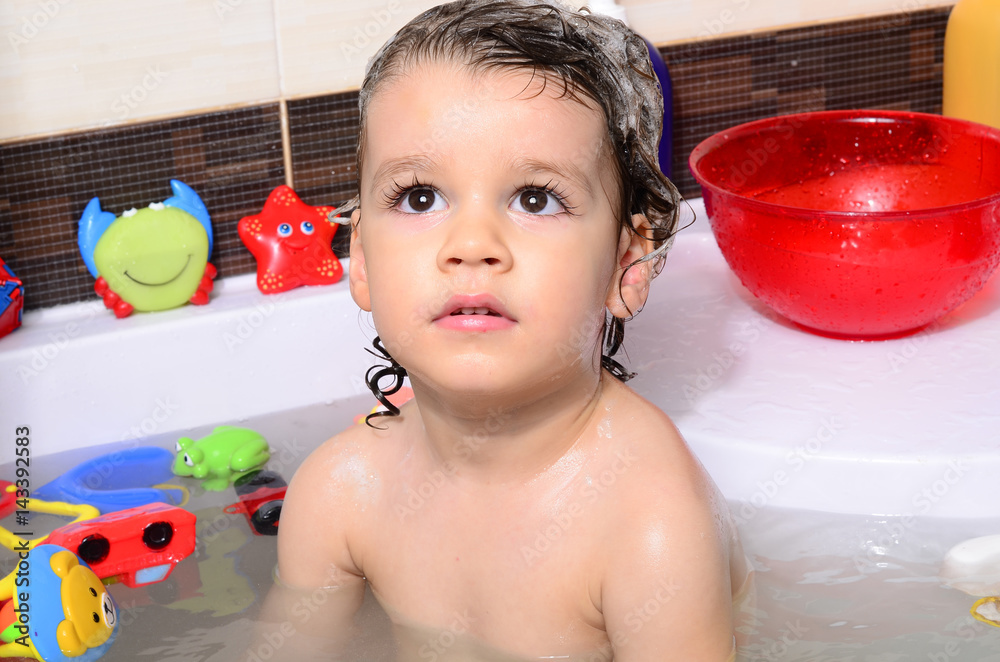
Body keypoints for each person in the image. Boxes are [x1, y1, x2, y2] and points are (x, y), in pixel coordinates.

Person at [265, 1, 749, 659]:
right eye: (419, 197)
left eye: (534, 198)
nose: (471, 245)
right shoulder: (340, 495)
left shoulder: (649, 523)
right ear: (362, 264)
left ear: (626, 266)